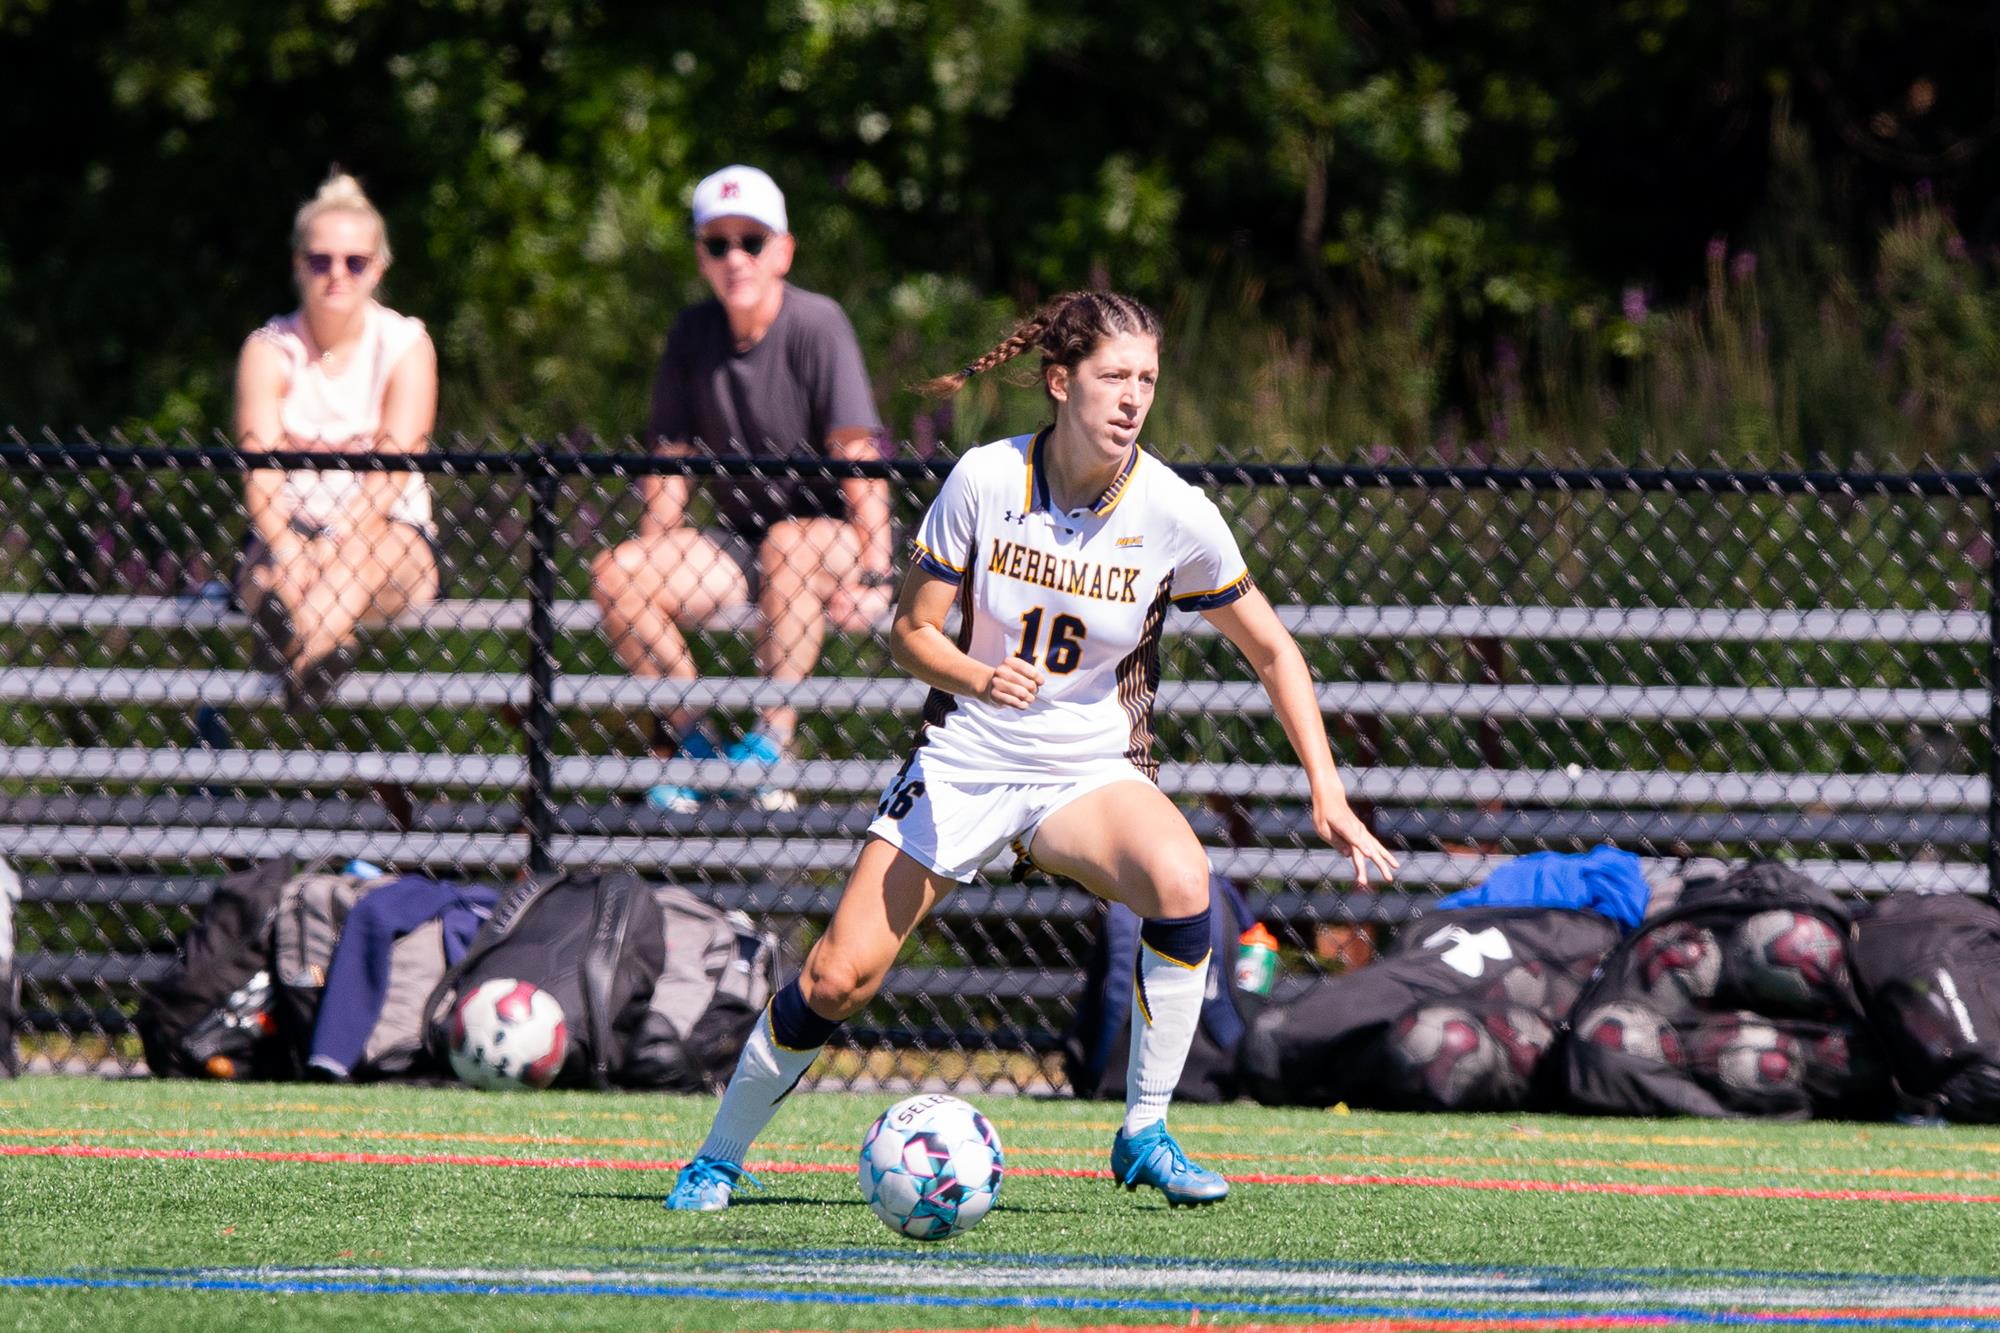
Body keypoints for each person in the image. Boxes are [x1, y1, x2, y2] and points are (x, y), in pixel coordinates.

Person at [665, 290, 1398, 1213]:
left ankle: (1146, 1131)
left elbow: (1274, 650)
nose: (1133, 398)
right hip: (966, 758)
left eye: (1148, 380)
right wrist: (978, 676)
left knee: (1184, 882)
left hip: (1087, 769)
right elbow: (908, 634)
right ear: (1060, 382)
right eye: (1113, 377)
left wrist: (1327, 794)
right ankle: (719, 1156)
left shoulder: (1174, 510)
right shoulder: (984, 478)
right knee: (836, 977)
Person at [590, 164, 890, 813]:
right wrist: (657, 565)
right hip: (739, 544)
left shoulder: (819, 323)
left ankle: (771, 747)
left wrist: (874, 573)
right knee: (617, 572)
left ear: (782, 250)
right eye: (718, 242)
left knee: (789, 543)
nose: (735, 257)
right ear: (701, 255)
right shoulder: (692, 332)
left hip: (828, 538)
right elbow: (669, 466)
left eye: (751, 241)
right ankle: (692, 740)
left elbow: (858, 455)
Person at [234, 170, 440, 709]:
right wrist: (288, 545)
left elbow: (394, 469)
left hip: (387, 533)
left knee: (361, 558)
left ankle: (295, 643)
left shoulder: (406, 344)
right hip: (288, 531)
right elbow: (260, 471)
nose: (337, 276)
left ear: (379, 268)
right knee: (269, 572)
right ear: (298, 265)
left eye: (355, 262)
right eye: (320, 261)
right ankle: (319, 653)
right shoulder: (268, 348)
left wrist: (334, 540)